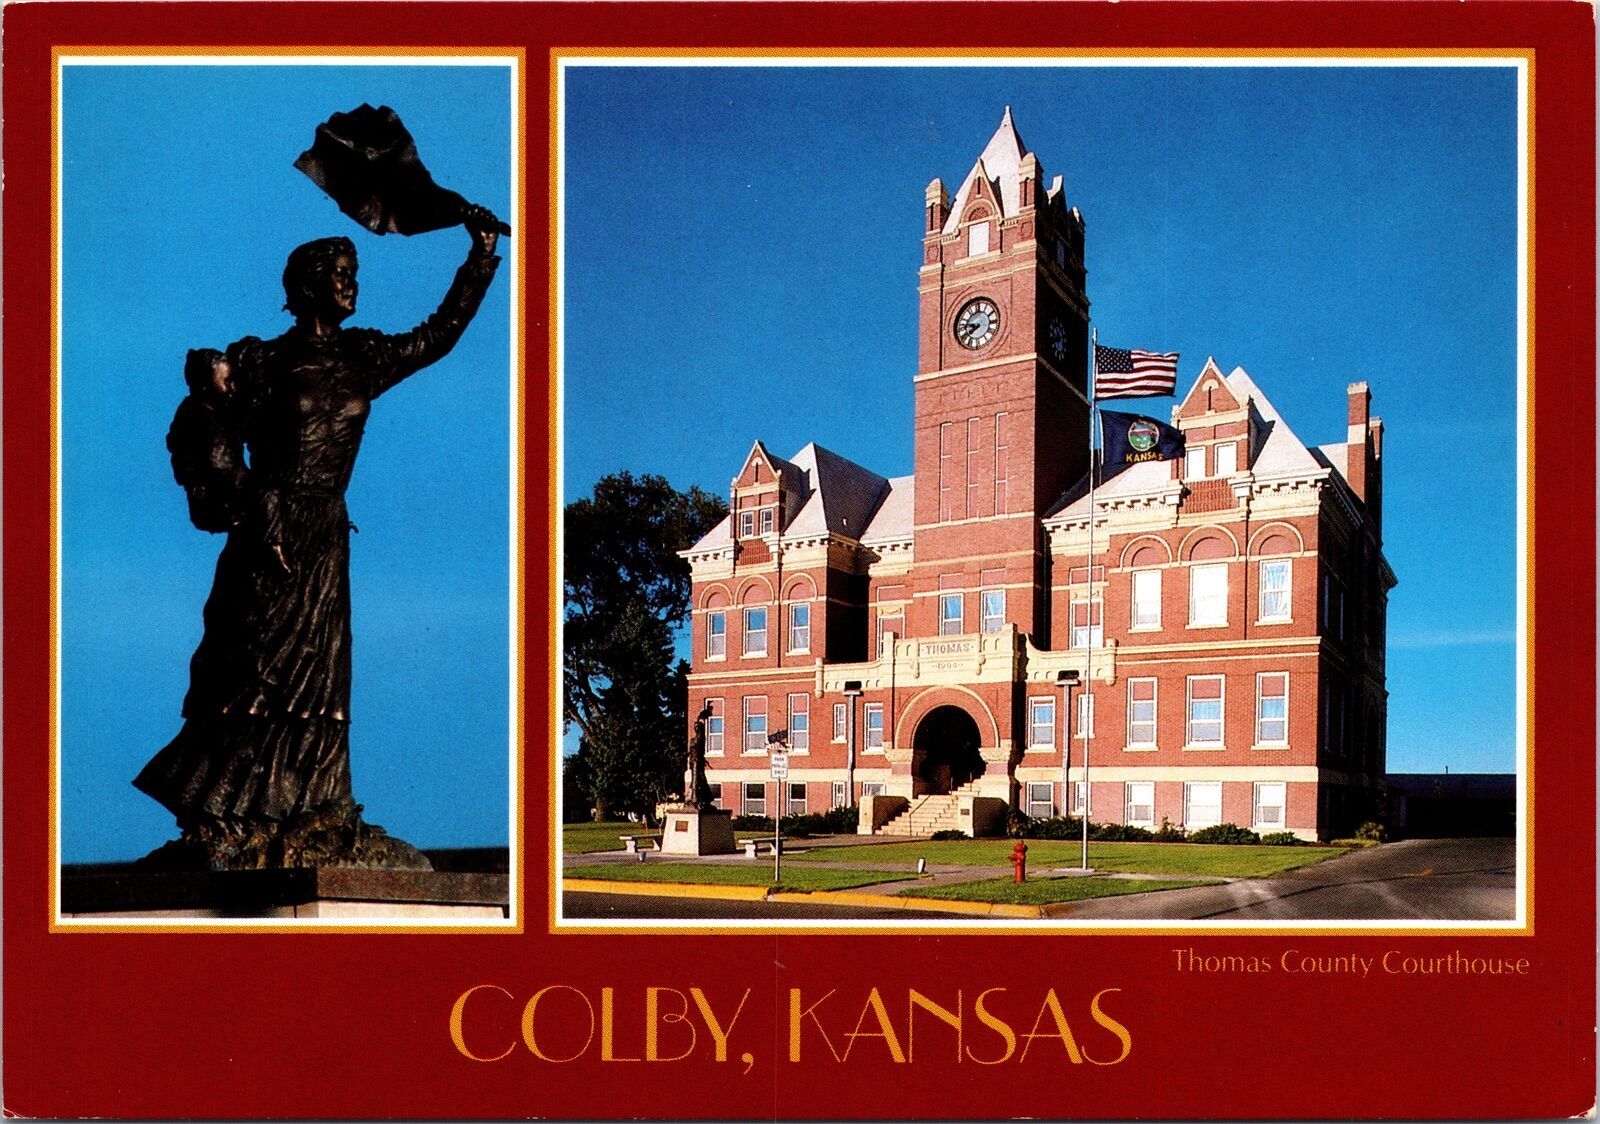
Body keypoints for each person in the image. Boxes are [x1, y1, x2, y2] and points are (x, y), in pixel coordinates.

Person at [134, 207, 503, 870]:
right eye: (337, 273)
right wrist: (251, 500)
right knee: (253, 671)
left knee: (321, 685)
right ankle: (228, 818)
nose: (349, 283)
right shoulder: (262, 362)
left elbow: (440, 334)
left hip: (326, 537)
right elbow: (208, 429)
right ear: (304, 285)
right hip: (268, 535)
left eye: (352, 272)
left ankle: (313, 813)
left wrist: (479, 257)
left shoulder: (365, 356)